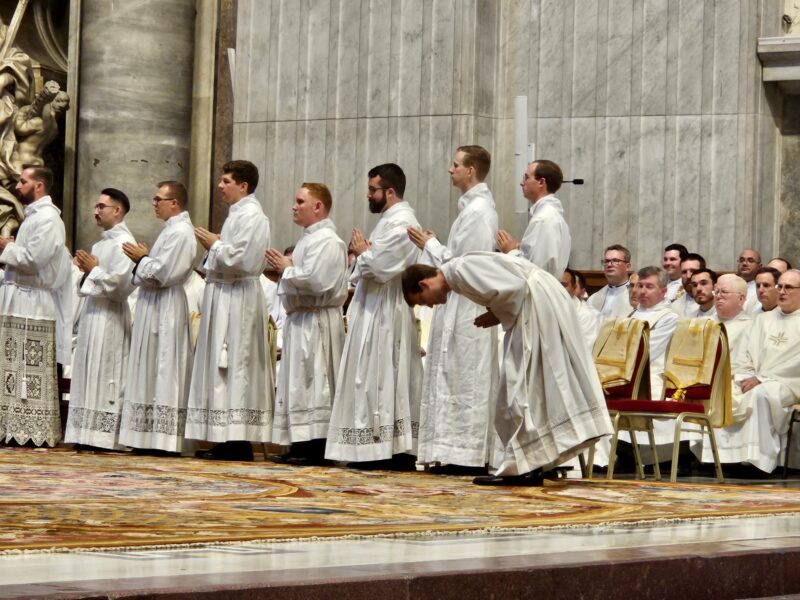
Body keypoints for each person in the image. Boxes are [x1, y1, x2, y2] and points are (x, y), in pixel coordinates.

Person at [402, 252, 612, 485]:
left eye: (422, 300)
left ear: (424, 284)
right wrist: (497, 313)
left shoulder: (461, 270)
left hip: (535, 304)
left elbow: (515, 287)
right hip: (533, 304)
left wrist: (497, 313)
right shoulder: (459, 273)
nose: (430, 305)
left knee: (520, 386)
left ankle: (526, 466)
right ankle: (529, 464)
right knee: (526, 387)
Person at [405, 146, 499, 474]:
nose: (450, 169)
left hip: (468, 302)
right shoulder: (470, 208)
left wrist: (430, 246)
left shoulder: (479, 211)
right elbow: (458, 258)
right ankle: (449, 451)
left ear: (470, 171)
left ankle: (466, 456)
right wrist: (436, 246)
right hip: (458, 299)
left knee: (466, 377)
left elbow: (468, 264)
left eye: (455, 165)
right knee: (452, 375)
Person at [325, 163, 423, 468]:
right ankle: (372, 447)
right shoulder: (388, 221)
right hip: (373, 305)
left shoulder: (403, 223)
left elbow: (380, 268)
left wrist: (362, 252)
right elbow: (368, 265)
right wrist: (364, 254)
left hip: (386, 309)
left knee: (381, 376)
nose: (368, 195)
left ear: (390, 192)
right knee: (369, 376)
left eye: (372, 190)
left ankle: (385, 450)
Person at [187, 160, 272, 461]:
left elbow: (242, 261)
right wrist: (216, 246)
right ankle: (223, 437)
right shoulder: (237, 214)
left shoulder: (253, 216)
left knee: (236, 365)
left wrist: (214, 245)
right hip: (225, 295)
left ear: (243, 186)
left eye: (226, 181)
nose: (220, 186)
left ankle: (237, 442)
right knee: (222, 367)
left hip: (239, 299)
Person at [266, 183, 348, 464]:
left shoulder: (329, 241)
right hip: (301, 318)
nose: (294, 206)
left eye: (300, 201)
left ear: (318, 206)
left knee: (316, 381)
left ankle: (316, 447)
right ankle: (299, 443)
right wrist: (288, 268)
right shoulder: (308, 239)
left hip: (317, 319)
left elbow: (317, 281)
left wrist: (286, 268)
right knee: (298, 383)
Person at [696, 269, 800, 473]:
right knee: (728, 389)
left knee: (760, 395)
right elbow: (748, 354)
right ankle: (724, 458)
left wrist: (762, 379)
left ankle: (759, 461)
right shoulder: (763, 319)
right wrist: (744, 375)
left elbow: (796, 364)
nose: (782, 291)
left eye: (788, 287)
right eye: (780, 286)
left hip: (788, 382)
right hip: (758, 377)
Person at [118, 181, 196, 454]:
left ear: (174, 203)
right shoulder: (170, 230)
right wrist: (144, 260)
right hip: (154, 304)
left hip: (167, 307)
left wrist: (142, 259)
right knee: (150, 367)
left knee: (164, 367)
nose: (154, 204)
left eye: (158, 199)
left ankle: (164, 441)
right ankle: (146, 437)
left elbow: (164, 274)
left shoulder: (182, 232)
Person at [0, 164, 71, 446]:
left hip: (33, 303)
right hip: (18, 299)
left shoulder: (49, 219)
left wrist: (6, 247)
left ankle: (31, 432)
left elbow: (33, 260)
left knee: (28, 369)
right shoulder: (33, 217)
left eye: (23, 181)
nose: (17, 186)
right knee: (11, 366)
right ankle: (12, 427)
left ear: (39, 185)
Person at [64, 188, 136, 450]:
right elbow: (89, 282)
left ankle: (105, 437)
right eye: (95, 206)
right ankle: (86, 433)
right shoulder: (100, 244)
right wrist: (86, 272)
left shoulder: (124, 243)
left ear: (117, 210)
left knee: (107, 371)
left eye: (101, 207)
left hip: (111, 316)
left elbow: (120, 287)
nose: (96, 211)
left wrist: (93, 270)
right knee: (89, 370)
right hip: (93, 313)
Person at [495, 159, 570, 277]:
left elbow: (537, 272)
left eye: (526, 177)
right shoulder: (548, 215)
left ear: (541, 182)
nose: (521, 183)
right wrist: (519, 248)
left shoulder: (545, 218)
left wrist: (511, 251)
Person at [630, 267, 679, 401]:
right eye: (640, 286)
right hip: (625, 373)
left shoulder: (669, 318)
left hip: (651, 380)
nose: (642, 291)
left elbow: (647, 352)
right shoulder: (632, 314)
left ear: (663, 291)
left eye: (649, 286)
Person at [712, 273, 752, 368]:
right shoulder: (703, 323)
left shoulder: (751, 328)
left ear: (741, 299)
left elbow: (744, 366)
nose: (718, 296)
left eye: (724, 292)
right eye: (716, 292)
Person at [587, 244, 633, 318]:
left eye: (615, 260)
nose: (609, 265)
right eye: (606, 261)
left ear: (627, 267)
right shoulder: (593, 299)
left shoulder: (636, 297)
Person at [561, 268, 601, 352]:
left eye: (564, 285)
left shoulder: (586, 316)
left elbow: (584, 351)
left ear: (574, 288)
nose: (559, 289)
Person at [736, 248, 762, 314]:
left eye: (750, 261)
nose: (744, 263)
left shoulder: (762, 288)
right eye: (741, 260)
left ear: (759, 266)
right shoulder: (729, 284)